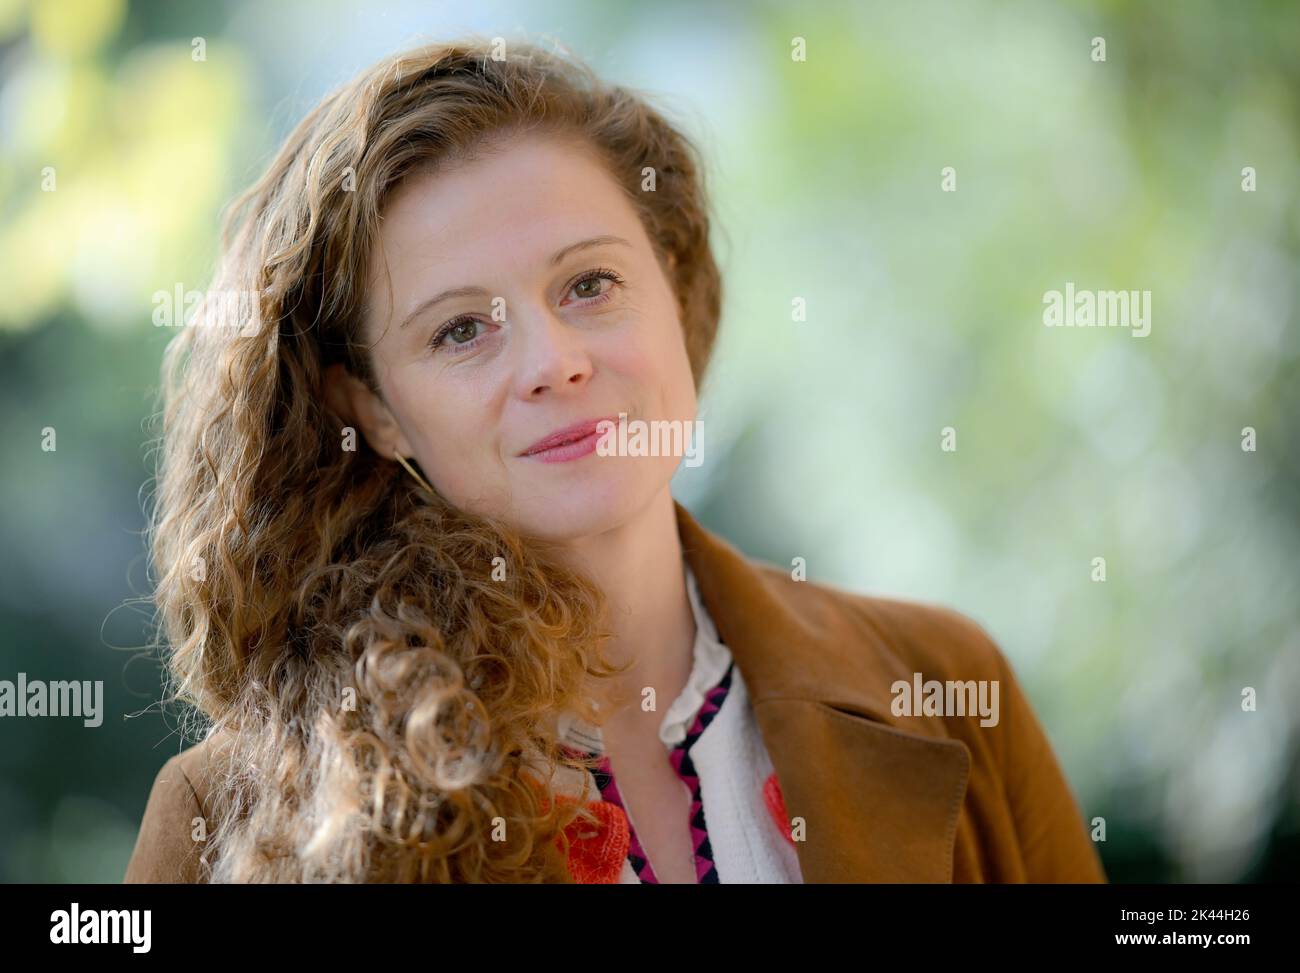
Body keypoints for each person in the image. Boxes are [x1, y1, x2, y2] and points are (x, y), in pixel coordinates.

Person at [124, 36, 1106, 884]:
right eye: (461, 330)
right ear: (373, 409)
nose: (555, 361)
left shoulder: (946, 685)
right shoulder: (228, 813)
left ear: (674, 288)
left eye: (589, 283)